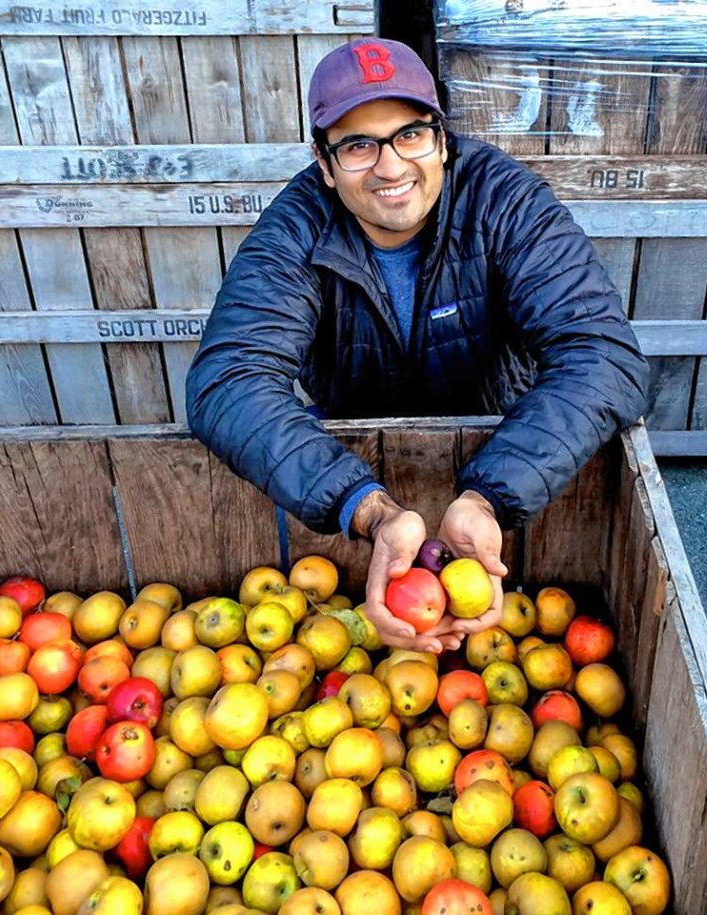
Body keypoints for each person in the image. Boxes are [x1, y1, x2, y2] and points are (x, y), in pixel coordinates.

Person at [185, 38, 649, 655]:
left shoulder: (504, 203)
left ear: (442, 138)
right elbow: (228, 379)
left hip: (501, 456)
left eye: (411, 134)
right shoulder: (297, 227)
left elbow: (604, 354)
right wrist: (365, 508)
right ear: (324, 165)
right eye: (357, 145)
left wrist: (490, 495)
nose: (391, 166)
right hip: (351, 484)